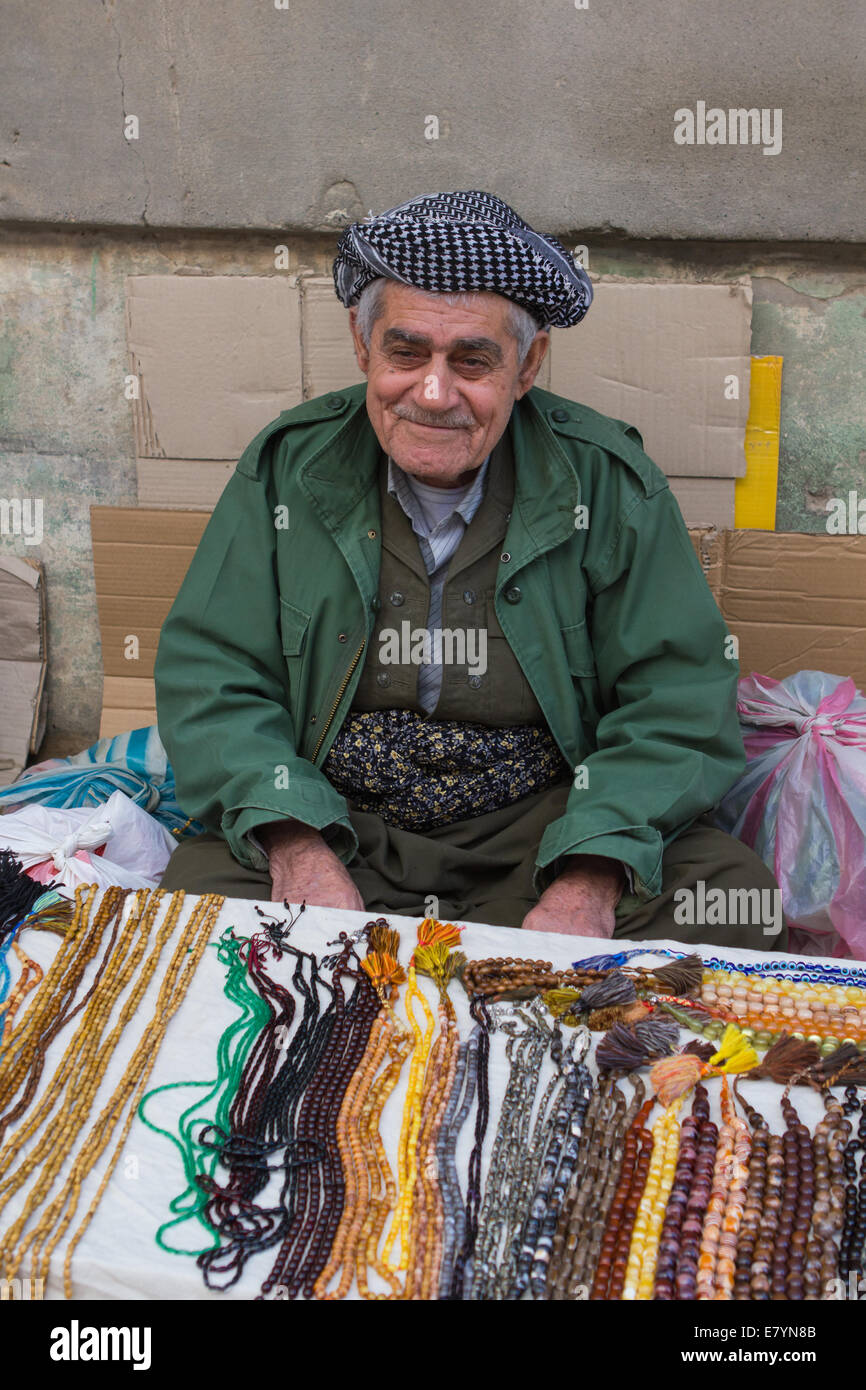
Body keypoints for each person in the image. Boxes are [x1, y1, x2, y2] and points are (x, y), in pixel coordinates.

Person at [155, 190, 784, 947]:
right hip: (340, 821)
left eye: (472, 361)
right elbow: (213, 674)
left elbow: (677, 701)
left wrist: (592, 871)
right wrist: (295, 842)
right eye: (406, 352)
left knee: (733, 897)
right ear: (363, 349)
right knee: (193, 908)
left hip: (542, 830)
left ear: (527, 366)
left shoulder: (608, 483)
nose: (432, 392)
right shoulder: (290, 467)